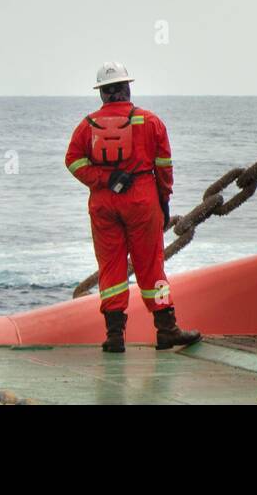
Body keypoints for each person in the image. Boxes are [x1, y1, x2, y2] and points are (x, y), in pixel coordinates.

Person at [65, 61, 200, 354]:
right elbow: (164, 167)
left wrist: (102, 179)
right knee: (151, 266)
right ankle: (166, 329)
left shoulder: (86, 126)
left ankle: (115, 336)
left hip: (103, 201)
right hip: (142, 198)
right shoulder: (150, 122)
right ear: (127, 88)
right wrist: (163, 200)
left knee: (111, 267)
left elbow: (73, 161)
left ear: (102, 94)